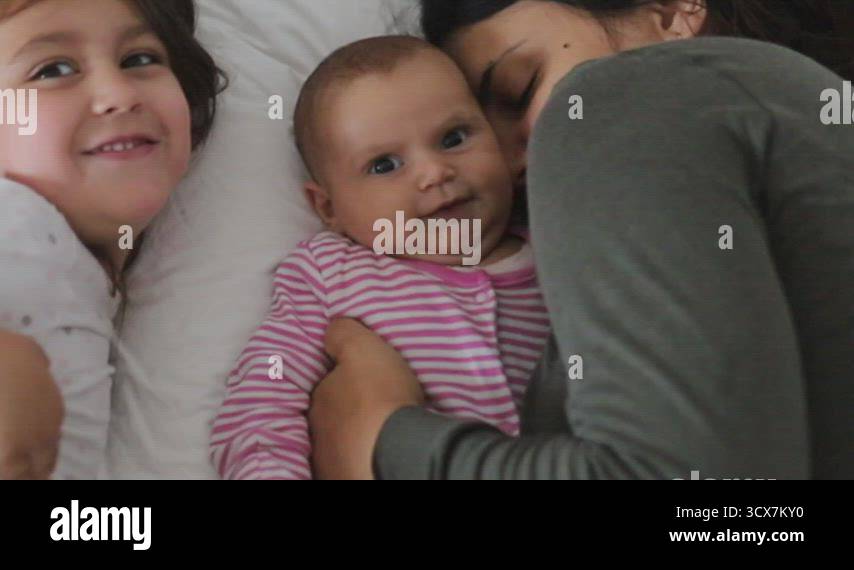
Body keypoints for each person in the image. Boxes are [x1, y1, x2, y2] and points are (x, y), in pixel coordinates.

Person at [307, 0, 854, 479]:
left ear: (668, 11)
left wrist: (383, 441)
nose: (509, 161)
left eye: (520, 91)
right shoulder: (797, 109)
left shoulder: (618, 95)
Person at [210, 36, 550, 480]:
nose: (434, 173)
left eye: (454, 138)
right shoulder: (331, 275)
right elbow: (264, 401)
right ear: (328, 209)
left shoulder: (560, 249)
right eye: (384, 166)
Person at [0, 0, 224, 479]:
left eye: (139, 59)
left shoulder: (77, 272)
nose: (118, 94)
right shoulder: (17, 217)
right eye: (53, 69)